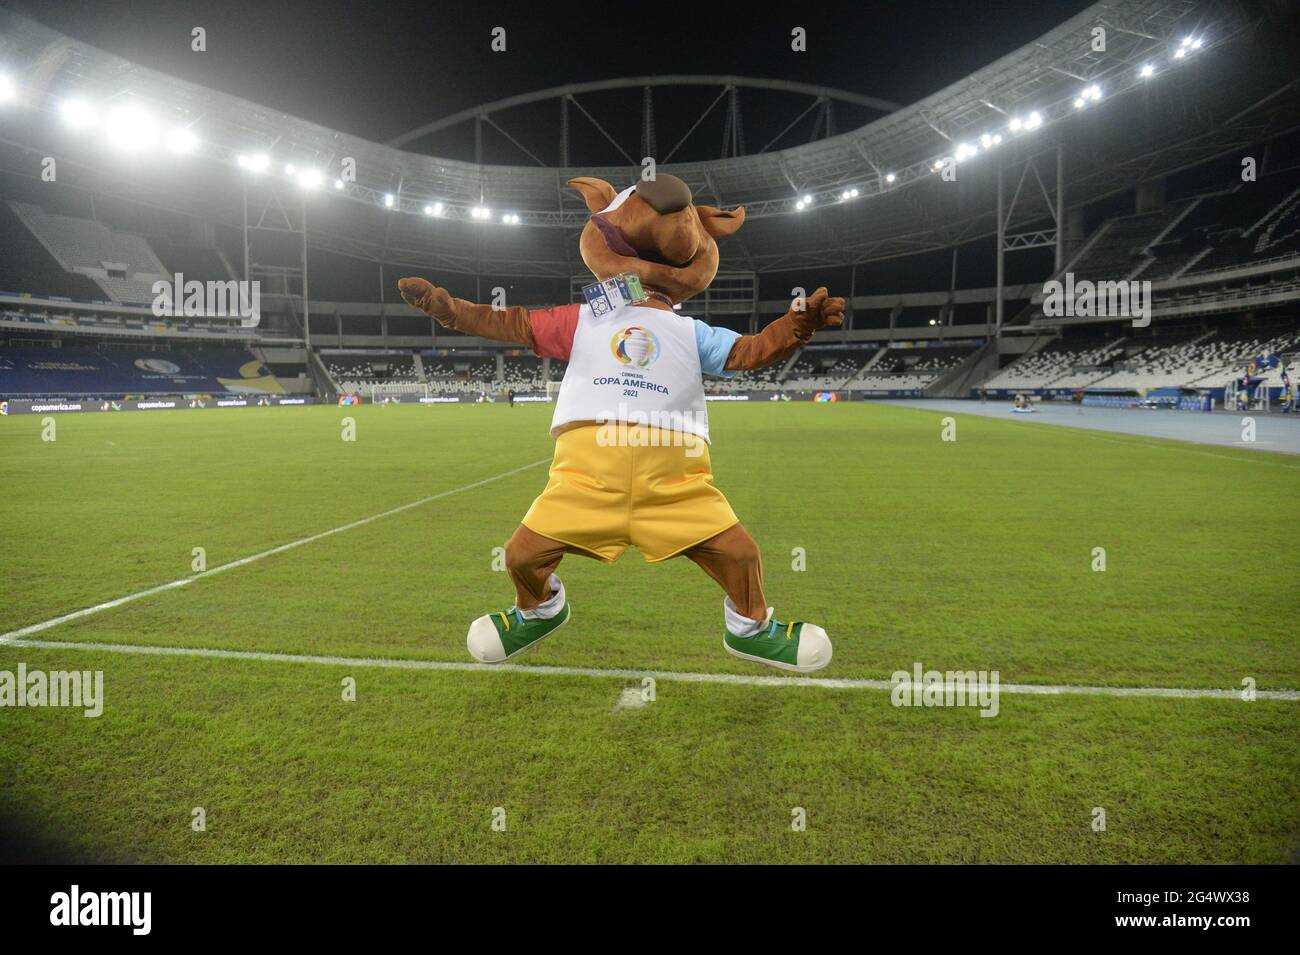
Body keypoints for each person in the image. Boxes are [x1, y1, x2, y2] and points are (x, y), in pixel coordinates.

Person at [399, 174, 843, 673]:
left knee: (740, 553)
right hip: (585, 482)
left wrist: (793, 327)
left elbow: (746, 351)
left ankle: (751, 629)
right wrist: (451, 311)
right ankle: (540, 609)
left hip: (677, 485)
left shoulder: (688, 331)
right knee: (521, 555)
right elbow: (516, 324)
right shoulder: (585, 319)